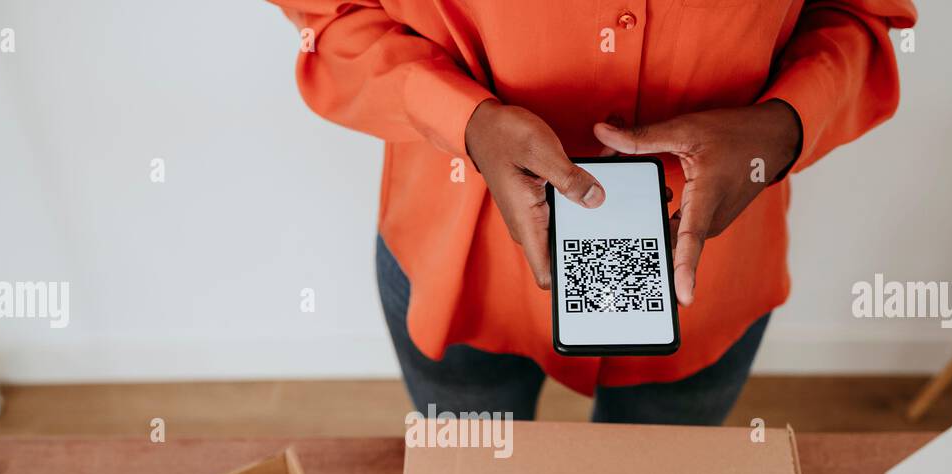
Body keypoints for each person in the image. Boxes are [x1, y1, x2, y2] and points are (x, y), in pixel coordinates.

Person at [272, 0, 917, 424]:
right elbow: (327, 17)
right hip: (458, 259)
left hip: (703, 274)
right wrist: (459, 118)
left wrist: (784, 127)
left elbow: (859, 14)